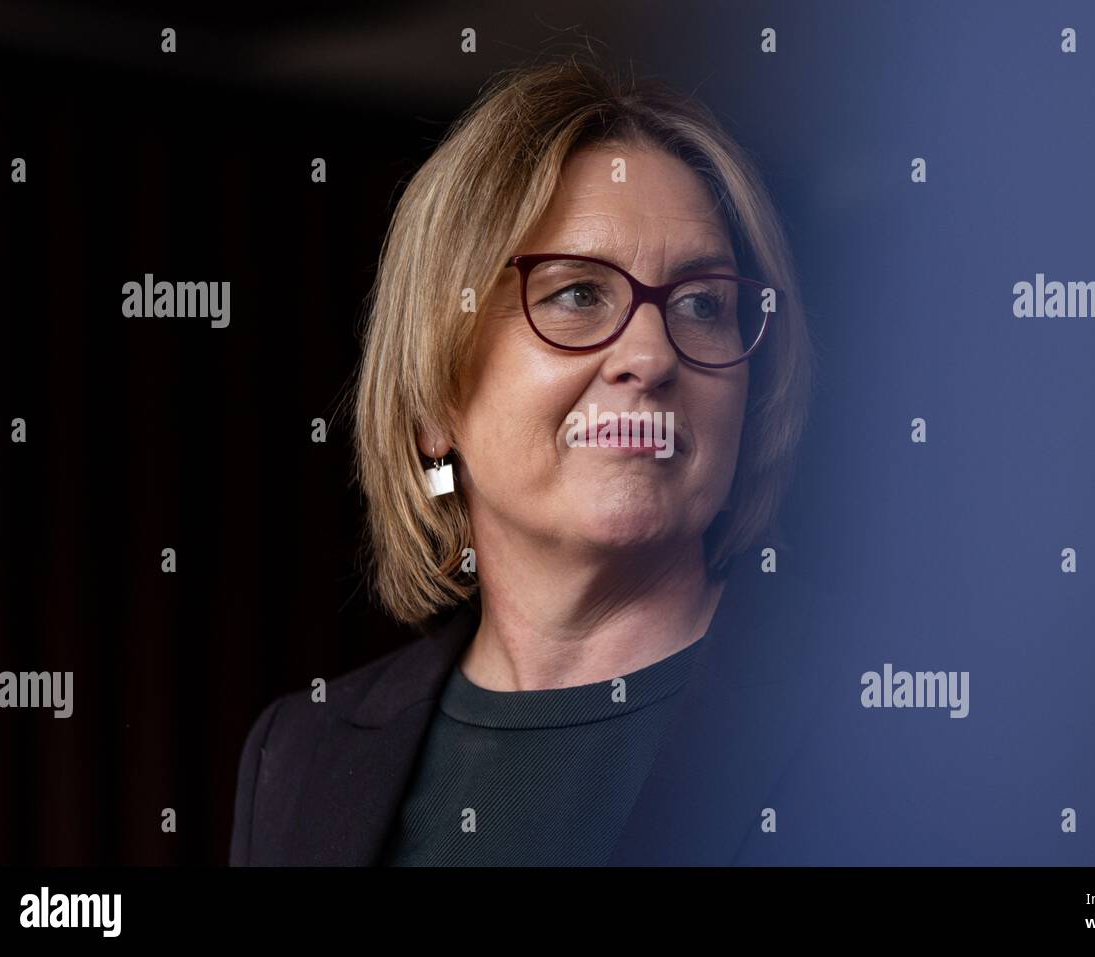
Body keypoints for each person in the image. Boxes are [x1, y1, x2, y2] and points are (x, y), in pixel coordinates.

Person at [229, 50, 828, 866]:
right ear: (436, 399)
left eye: (701, 303)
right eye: (578, 294)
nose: (650, 355)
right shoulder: (298, 754)